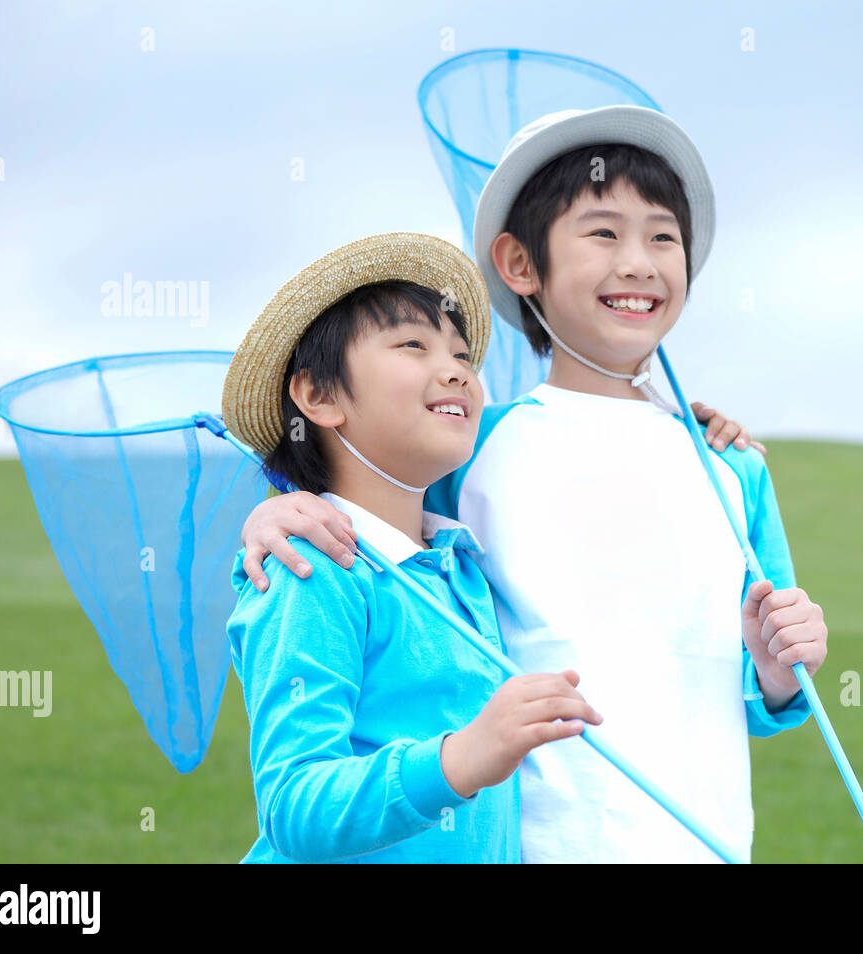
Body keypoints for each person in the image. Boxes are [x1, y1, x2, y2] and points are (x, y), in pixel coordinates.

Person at [239, 108, 829, 863]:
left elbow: (755, 692)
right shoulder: (471, 444)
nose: (641, 261)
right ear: (521, 265)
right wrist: (278, 510)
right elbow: (365, 495)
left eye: (663, 237)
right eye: (605, 232)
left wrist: (779, 674)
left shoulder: (733, 469)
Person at [223, 232, 601, 863]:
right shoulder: (309, 569)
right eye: (412, 346)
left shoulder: (460, 564)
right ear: (318, 396)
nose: (455, 368)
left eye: (462, 354)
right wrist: (462, 759)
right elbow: (294, 804)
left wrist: (677, 420)